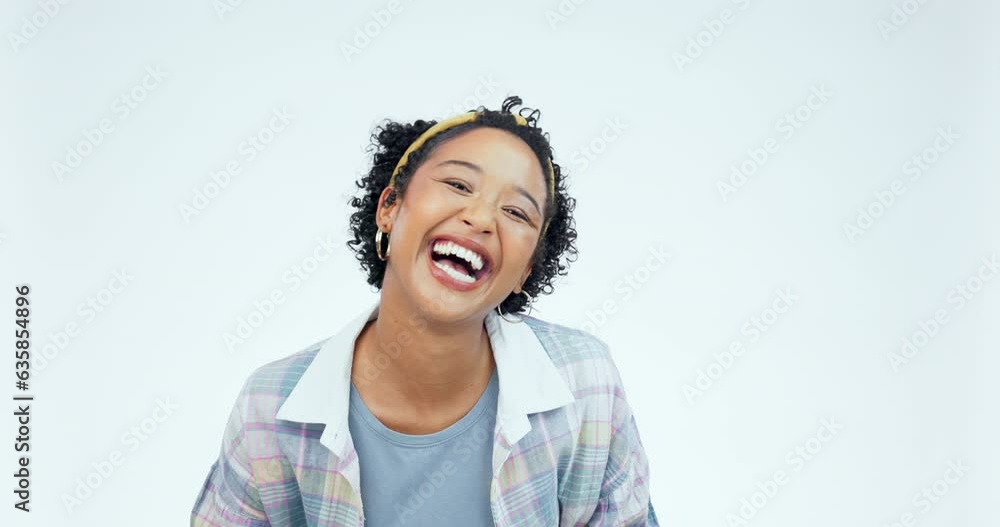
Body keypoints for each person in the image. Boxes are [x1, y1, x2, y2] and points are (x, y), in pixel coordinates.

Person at [191, 96, 660, 526]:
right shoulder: (269, 408)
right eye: (458, 184)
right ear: (390, 207)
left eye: (517, 212)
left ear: (526, 270)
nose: (481, 218)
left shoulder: (586, 383)